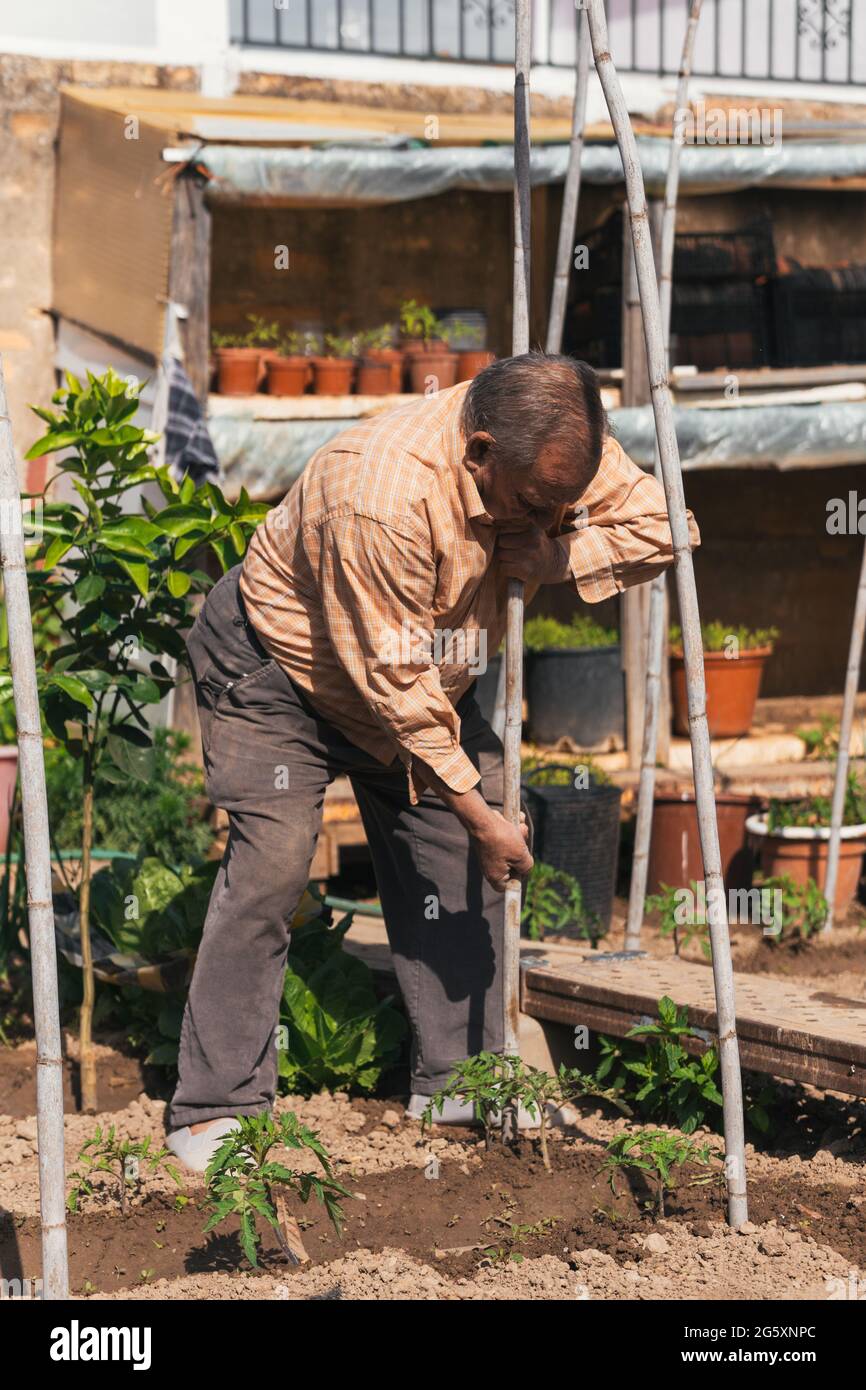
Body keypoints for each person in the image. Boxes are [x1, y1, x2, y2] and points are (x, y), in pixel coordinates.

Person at [166, 352, 699, 1169]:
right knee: (275, 863)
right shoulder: (378, 496)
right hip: (284, 672)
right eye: (532, 506)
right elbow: (398, 687)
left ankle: (460, 1081)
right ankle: (216, 1106)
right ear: (478, 451)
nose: (548, 516)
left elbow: (672, 527)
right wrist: (482, 814)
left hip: (427, 674)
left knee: (455, 861)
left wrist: (561, 558)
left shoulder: (555, 439)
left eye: (564, 504)